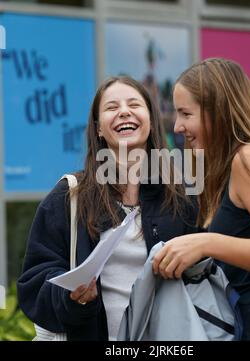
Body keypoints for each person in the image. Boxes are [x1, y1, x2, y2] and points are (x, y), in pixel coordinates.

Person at [17, 76, 198, 341]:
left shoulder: (181, 197)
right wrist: (72, 297)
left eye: (134, 104)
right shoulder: (70, 196)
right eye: (112, 107)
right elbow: (33, 283)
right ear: (99, 129)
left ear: (150, 120)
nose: (124, 111)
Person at [152, 58, 250, 341]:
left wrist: (207, 243)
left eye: (185, 113)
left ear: (217, 111)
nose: (177, 126)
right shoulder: (225, 166)